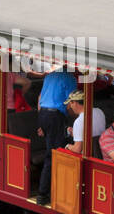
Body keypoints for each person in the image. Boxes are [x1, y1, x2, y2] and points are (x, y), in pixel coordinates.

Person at [34, 66, 78, 206]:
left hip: (44, 114)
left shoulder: (50, 75)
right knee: (54, 154)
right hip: (56, 117)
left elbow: (40, 98)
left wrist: (41, 122)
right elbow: (72, 103)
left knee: (52, 152)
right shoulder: (70, 78)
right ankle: (43, 193)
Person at [64, 89, 105, 154]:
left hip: (88, 156)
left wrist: (67, 146)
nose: (70, 107)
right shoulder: (99, 111)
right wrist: (75, 133)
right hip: (101, 151)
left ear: (75, 103)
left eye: (70, 103)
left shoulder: (79, 121)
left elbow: (77, 149)